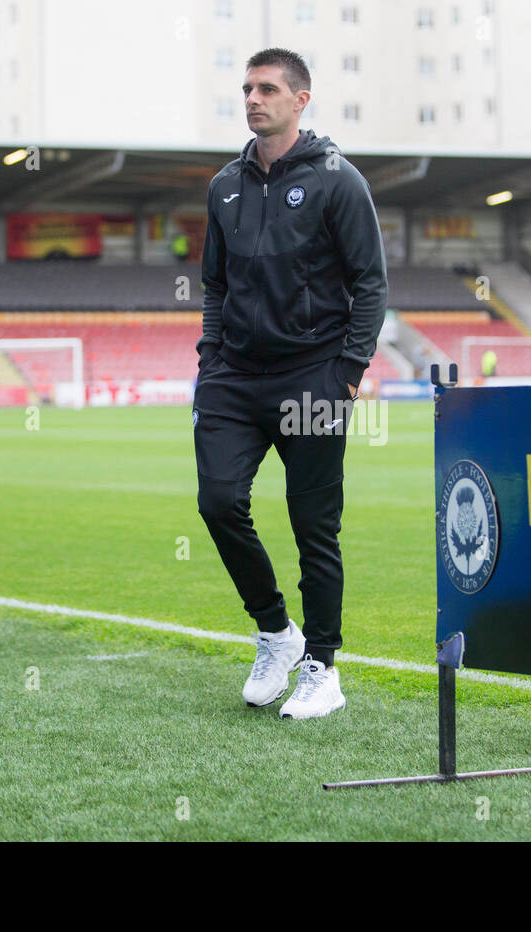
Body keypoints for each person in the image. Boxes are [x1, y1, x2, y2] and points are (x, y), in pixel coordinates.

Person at [193, 47, 388, 720]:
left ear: (300, 99)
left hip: (313, 377)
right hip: (234, 379)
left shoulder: (339, 180)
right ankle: (276, 632)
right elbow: (214, 285)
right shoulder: (223, 186)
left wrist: (346, 374)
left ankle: (323, 667)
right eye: (247, 87)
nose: (253, 98)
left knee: (314, 529)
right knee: (218, 502)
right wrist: (209, 362)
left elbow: (371, 284)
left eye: (268, 88)